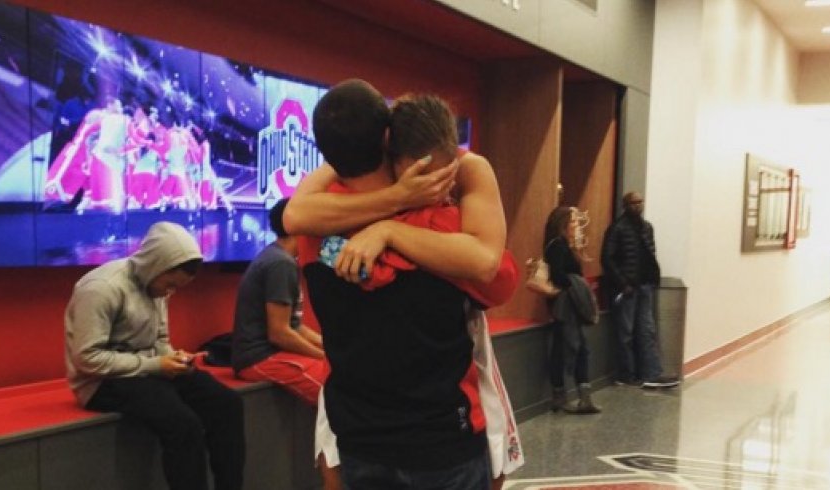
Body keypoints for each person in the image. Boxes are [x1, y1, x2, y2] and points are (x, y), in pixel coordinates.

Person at [298, 80, 509, 490]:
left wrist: (387, 227)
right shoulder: (445, 229)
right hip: (440, 442)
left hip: (359, 439)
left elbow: (292, 214)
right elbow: (496, 275)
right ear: (388, 139)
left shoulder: (311, 230)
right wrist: (396, 220)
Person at [64, 221, 245, 490]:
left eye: (177, 287)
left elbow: (159, 340)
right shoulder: (101, 288)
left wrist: (174, 358)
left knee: (227, 403)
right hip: (100, 382)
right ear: (154, 266)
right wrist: (156, 364)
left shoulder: (158, 286)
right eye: (169, 284)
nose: (170, 292)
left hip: (146, 371)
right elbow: (87, 359)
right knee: (184, 425)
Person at [229, 199, 340, 490]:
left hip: (272, 352)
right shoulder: (280, 264)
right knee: (336, 394)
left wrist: (330, 348)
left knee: (341, 380)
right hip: (259, 357)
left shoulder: (281, 259)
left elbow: (295, 326)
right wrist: (326, 356)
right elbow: (278, 334)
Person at [601, 191, 679, 389]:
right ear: (625, 206)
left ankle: (651, 373)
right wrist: (622, 284)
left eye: (640, 202)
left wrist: (652, 278)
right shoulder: (617, 228)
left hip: (644, 285)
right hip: (627, 288)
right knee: (626, 332)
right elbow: (607, 259)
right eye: (633, 203)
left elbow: (650, 255)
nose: (638, 206)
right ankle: (626, 375)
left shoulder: (647, 228)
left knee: (647, 330)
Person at [543, 206, 601, 414]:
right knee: (571, 348)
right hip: (566, 305)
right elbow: (558, 275)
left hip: (567, 304)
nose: (577, 225)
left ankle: (571, 396)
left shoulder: (562, 245)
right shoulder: (557, 246)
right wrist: (576, 286)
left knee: (571, 348)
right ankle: (574, 397)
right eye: (574, 221)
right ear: (563, 224)